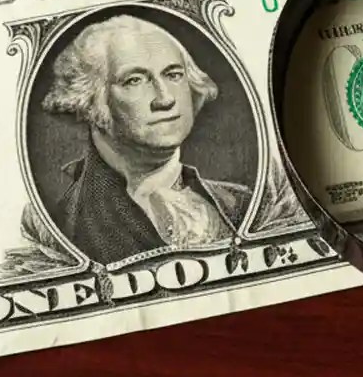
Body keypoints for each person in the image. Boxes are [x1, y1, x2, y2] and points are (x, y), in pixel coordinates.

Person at [41, 14, 249, 264]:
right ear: (89, 100)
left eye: (173, 75)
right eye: (134, 80)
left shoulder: (239, 204)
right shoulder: (62, 230)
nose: (165, 99)